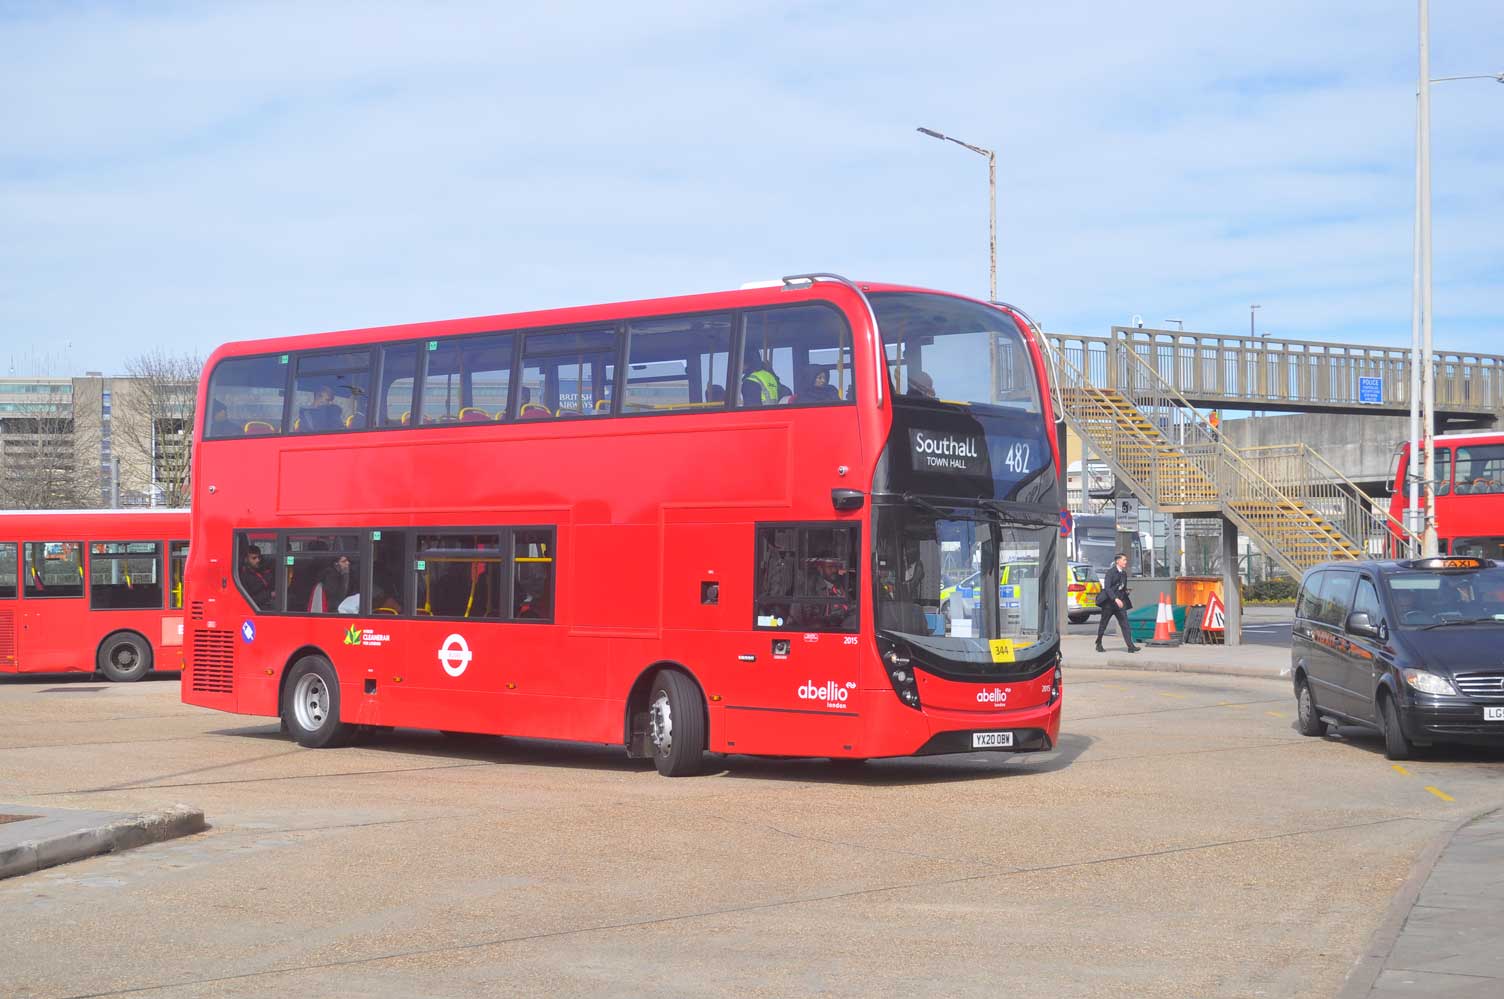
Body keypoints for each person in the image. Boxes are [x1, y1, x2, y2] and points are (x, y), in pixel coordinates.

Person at [1095, 552, 1139, 653]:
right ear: (1117, 561)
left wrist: (1126, 591)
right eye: (1124, 560)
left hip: (1120, 604)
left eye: (1126, 560)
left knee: (1125, 624)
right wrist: (1115, 598)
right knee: (1103, 624)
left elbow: (1122, 587)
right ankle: (1099, 643)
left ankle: (1130, 646)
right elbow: (1107, 588)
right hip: (1109, 603)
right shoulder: (1110, 572)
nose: (1126, 562)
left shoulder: (1124, 573)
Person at [242, 545, 275, 610]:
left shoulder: (263, 569)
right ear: (246, 559)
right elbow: (248, 600)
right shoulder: (243, 577)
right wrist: (269, 595)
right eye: (254, 558)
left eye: (259, 557)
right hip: (258, 608)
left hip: (270, 601)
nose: (258, 560)